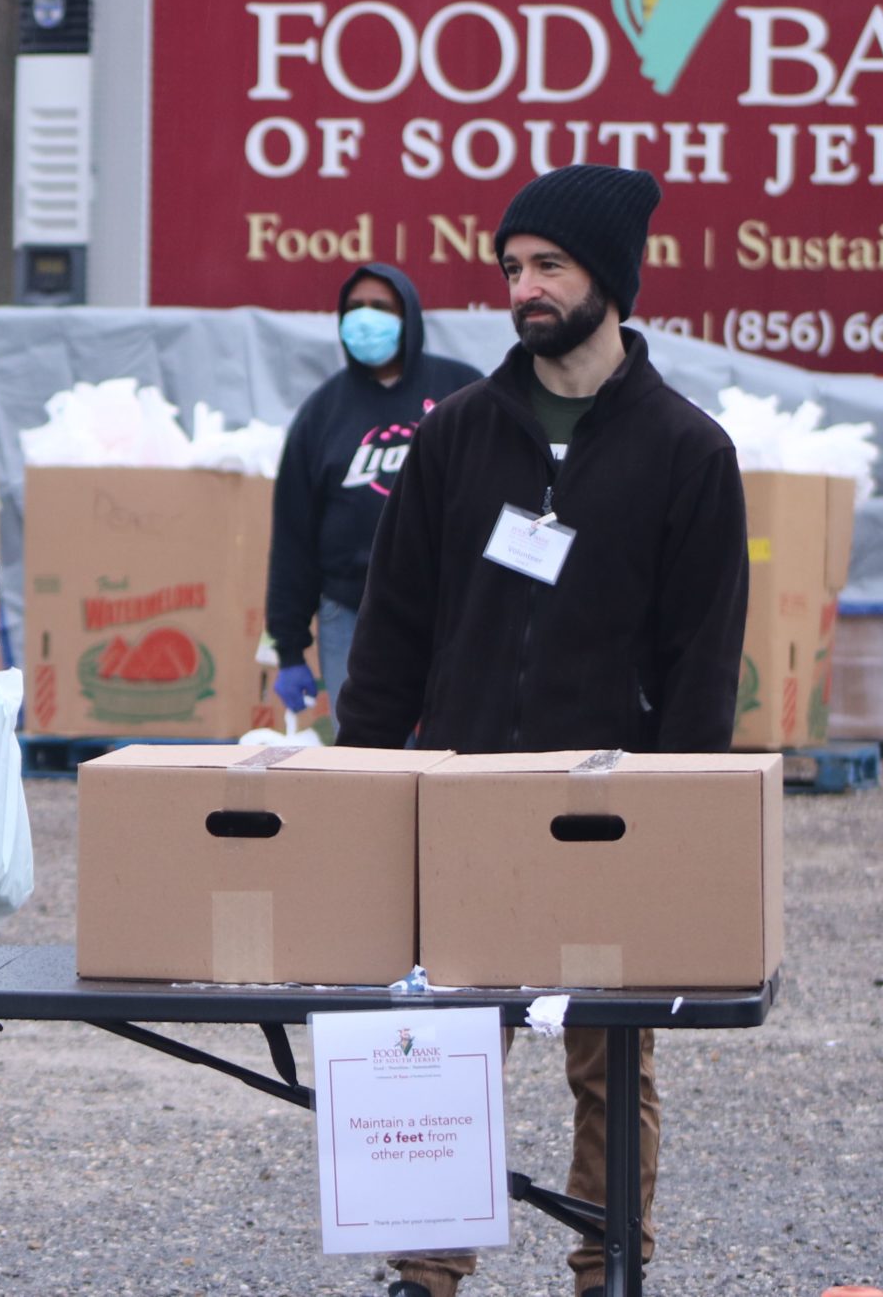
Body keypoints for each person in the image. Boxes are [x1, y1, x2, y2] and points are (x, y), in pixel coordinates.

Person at [336, 165, 748, 1297]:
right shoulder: (457, 436)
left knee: (609, 1059)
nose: (524, 286)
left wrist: (674, 817)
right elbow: (393, 628)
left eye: (549, 266)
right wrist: (359, 782)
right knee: (441, 1046)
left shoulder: (688, 452)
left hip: (606, 811)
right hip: (465, 795)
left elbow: (702, 663)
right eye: (513, 266)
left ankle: (606, 1266)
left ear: (608, 279)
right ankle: (425, 1272)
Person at [264, 264, 476, 726]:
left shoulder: (462, 391)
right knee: (367, 752)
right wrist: (289, 647)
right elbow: (293, 535)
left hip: (452, 612)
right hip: (350, 614)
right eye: (355, 307)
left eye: (381, 307)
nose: (365, 318)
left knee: (454, 745)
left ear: (409, 316)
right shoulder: (323, 411)